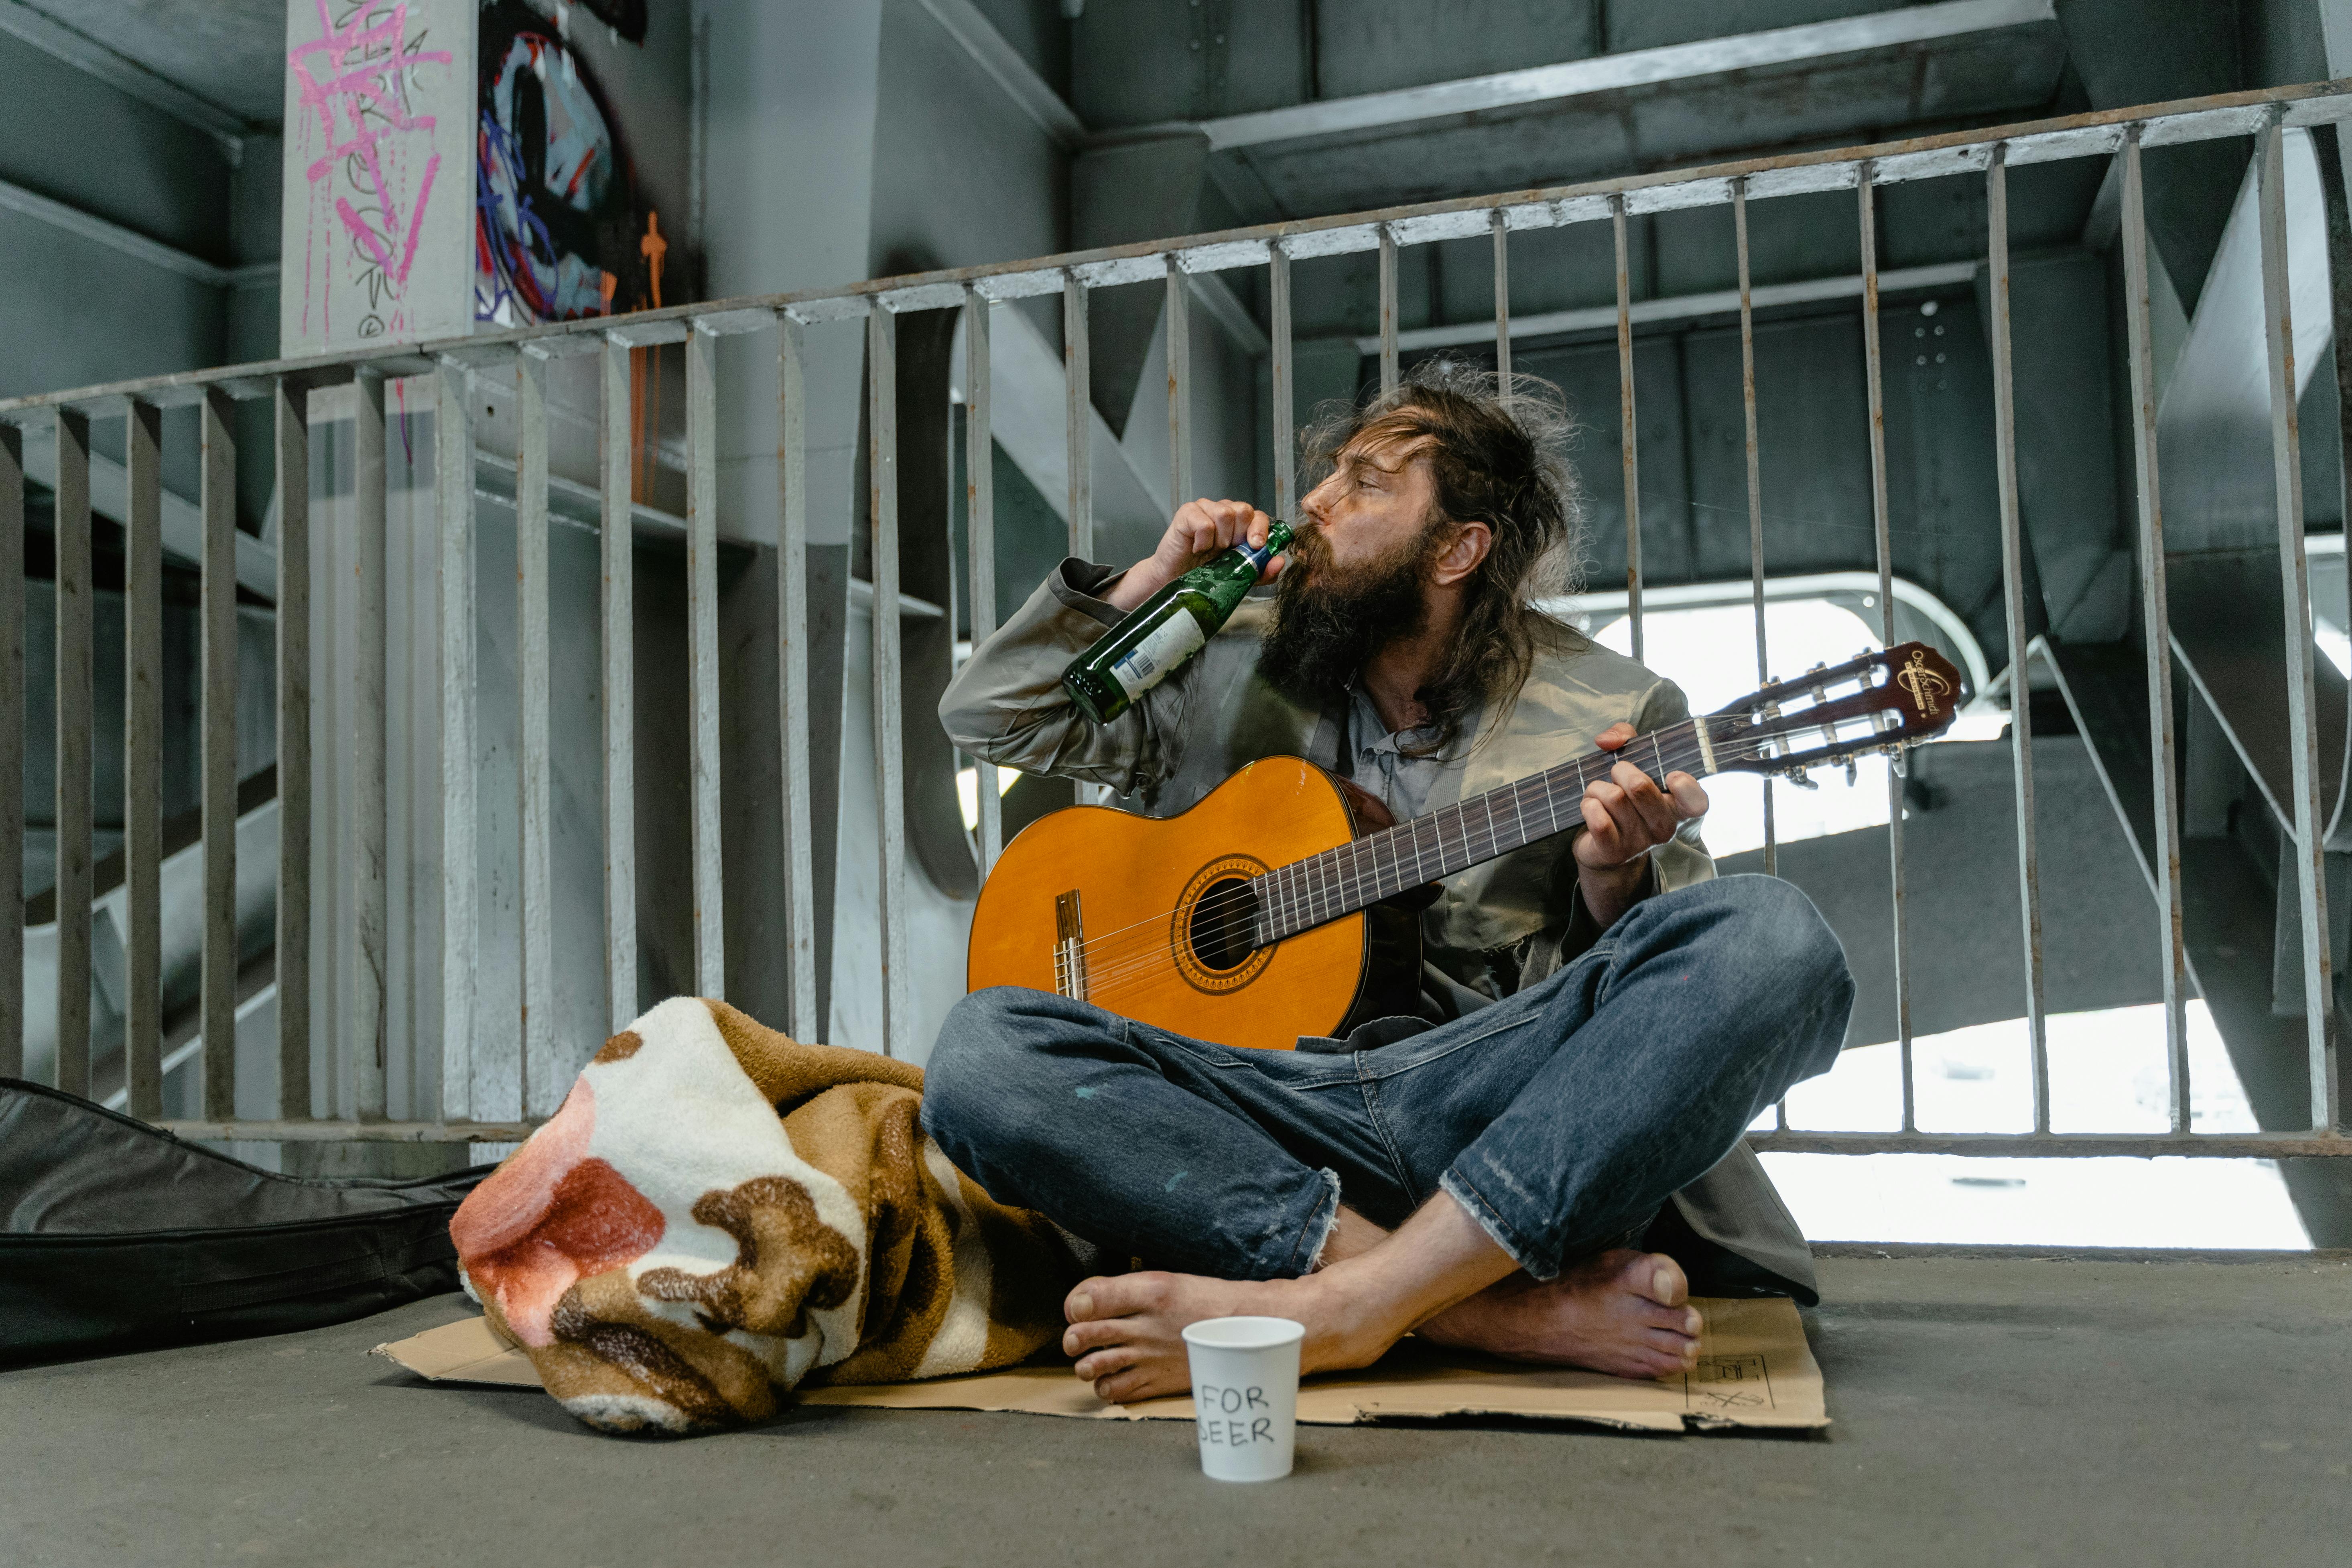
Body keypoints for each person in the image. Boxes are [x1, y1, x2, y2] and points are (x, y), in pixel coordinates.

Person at [927, 362, 1854, 1405]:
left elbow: (1650, 1023)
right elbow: (991, 716)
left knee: (1774, 936)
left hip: (1487, 1114)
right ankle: (1462, 1309)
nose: (1316, 500)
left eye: (1365, 483)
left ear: (1458, 549)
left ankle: (1345, 1300)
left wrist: (1614, 881)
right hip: (1261, 1117)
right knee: (982, 1053)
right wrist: (1150, 586)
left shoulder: (1613, 708)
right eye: (1330, 472)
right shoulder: (1230, 653)